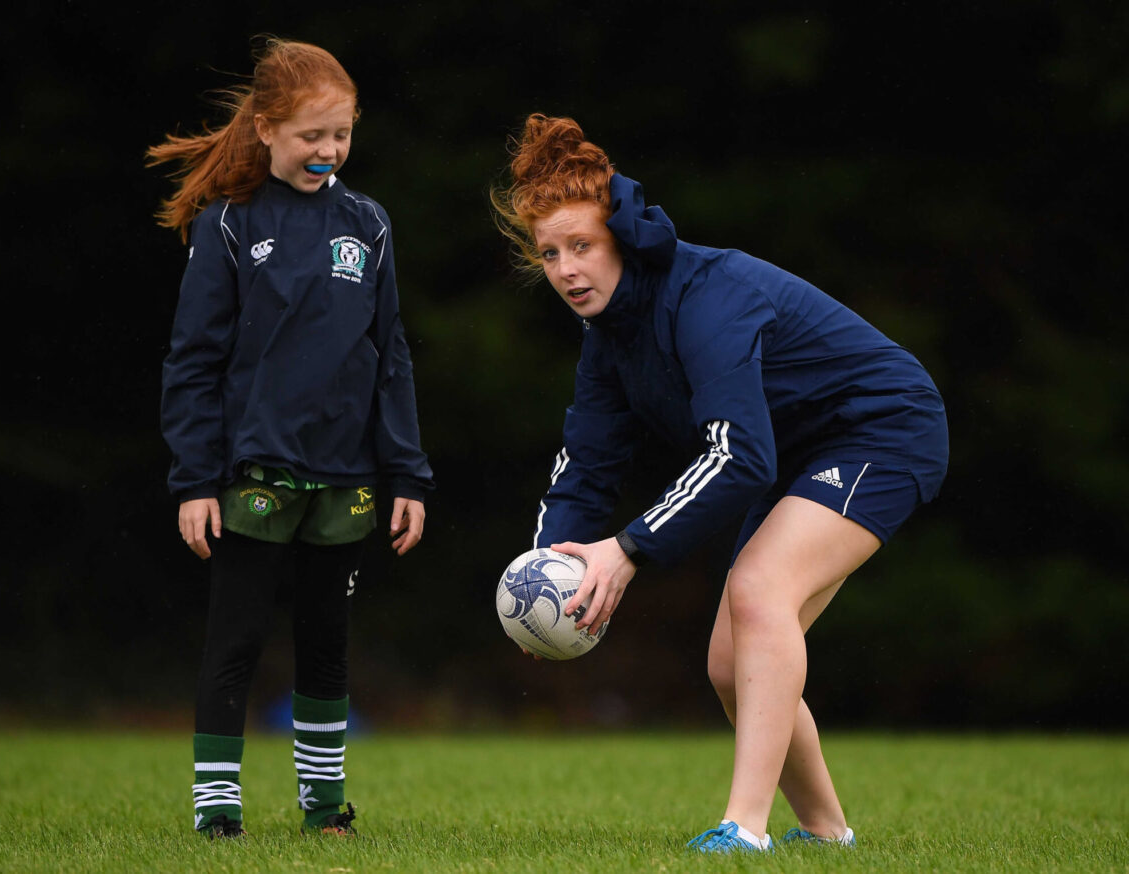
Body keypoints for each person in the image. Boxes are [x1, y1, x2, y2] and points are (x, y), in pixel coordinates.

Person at [491, 115, 948, 853]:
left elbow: (738, 458)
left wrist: (629, 549)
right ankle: (827, 833)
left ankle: (744, 829)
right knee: (730, 663)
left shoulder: (708, 297)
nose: (567, 269)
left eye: (582, 246)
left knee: (759, 591)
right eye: (550, 253)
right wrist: (548, 572)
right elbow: (587, 459)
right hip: (790, 451)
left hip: (884, 428)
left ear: (625, 239)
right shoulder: (607, 336)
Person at [147, 38, 433, 839]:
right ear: (268, 129)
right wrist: (194, 480)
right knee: (235, 641)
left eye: (340, 135)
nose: (328, 151)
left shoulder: (368, 224)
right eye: (312, 135)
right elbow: (193, 361)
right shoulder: (230, 226)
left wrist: (407, 473)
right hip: (251, 475)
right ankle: (217, 811)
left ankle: (324, 808)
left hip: (347, 476)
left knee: (326, 644)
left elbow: (392, 355)